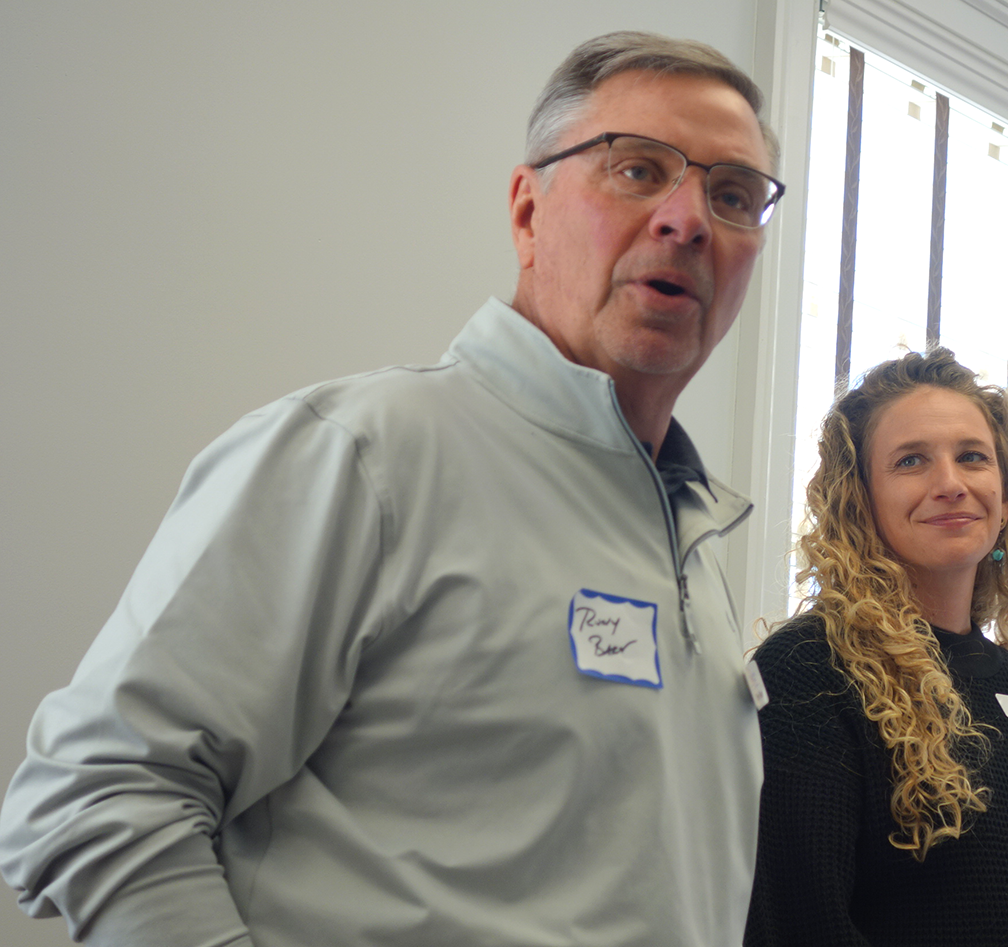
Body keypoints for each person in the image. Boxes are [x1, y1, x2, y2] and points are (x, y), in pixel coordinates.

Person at [0, 31, 784, 947]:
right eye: (639, 170)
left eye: (732, 195)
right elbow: (97, 793)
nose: (688, 219)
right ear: (528, 212)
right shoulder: (362, 455)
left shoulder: (690, 531)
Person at [744, 349, 1008, 947]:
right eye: (911, 461)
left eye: (972, 457)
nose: (950, 484)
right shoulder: (808, 669)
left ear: (1007, 499)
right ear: (858, 501)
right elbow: (800, 924)